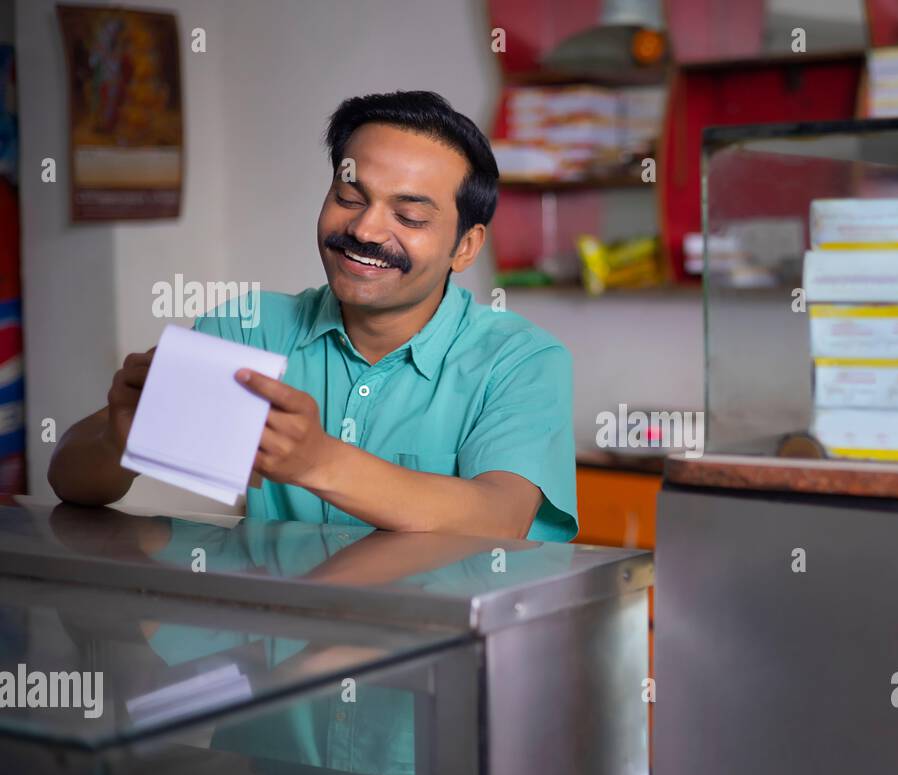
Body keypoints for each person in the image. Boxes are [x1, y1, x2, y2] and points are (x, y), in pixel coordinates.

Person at [48, 91, 577, 542]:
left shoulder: (519, 360)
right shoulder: (251, 329)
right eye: (349, 197)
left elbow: (500, 517)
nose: (365, 230)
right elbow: (69, 477)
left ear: (465, 246)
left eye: (409, 216)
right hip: (276, 623)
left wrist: (319, 461)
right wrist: (118, 439)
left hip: (441, 629)